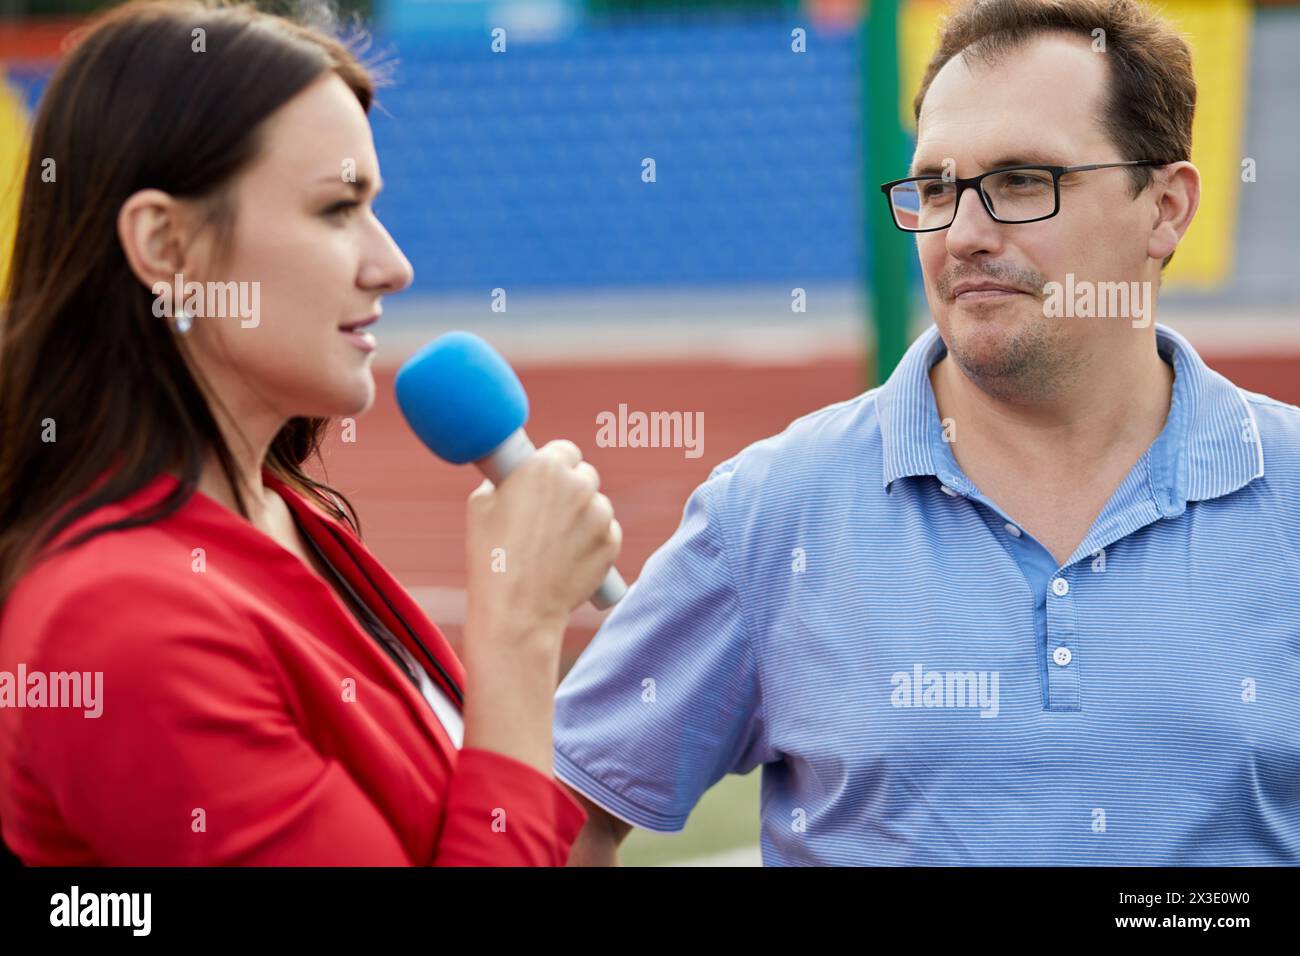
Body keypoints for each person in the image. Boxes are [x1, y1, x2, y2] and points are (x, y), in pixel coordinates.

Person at [554, 0, 1300, 865]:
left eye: (1024, 180)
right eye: (937, 188)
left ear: (1165, 207)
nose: (965, 234)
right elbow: (560, 813)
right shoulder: (769, 511)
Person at [0, 0, 620, 866]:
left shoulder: (281, 512)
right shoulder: (121, 626)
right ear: (166, 245)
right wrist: (517, 637)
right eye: (337, 208)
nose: (392, 264)